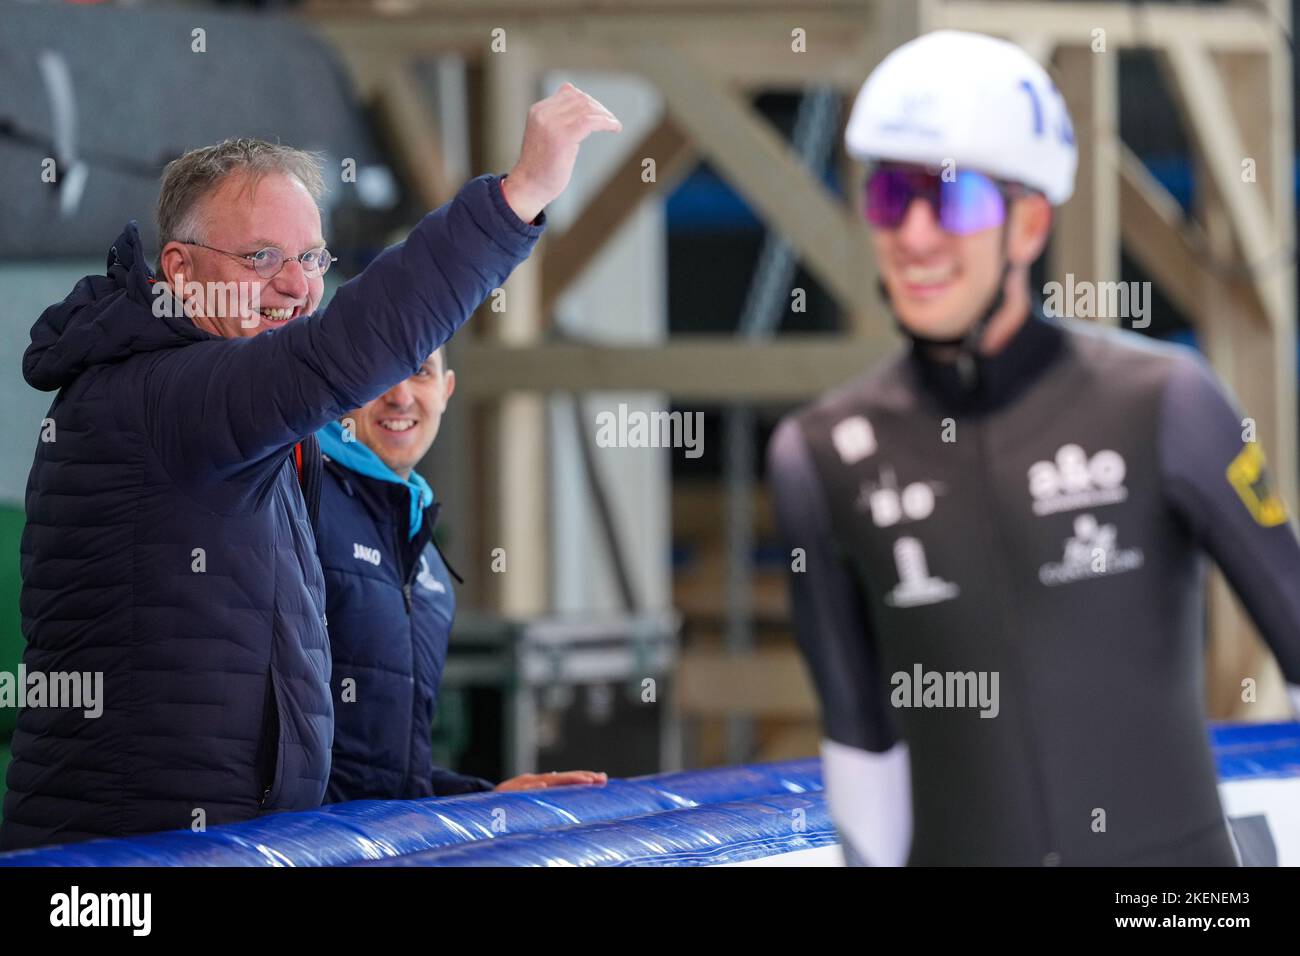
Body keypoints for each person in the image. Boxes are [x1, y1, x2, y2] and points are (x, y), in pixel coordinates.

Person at [2, 83, 621, 850]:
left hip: (246, 847)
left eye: (311, 257)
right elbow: (339, 351)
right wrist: (516, 195)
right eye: (262, 257)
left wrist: (469, 802)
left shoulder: (249, 435)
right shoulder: (161, 396)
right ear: (180, 271)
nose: (296, 285)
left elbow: (320, 744)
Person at [768, 30, 1300, 866]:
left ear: (1028, 223)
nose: (912, 235)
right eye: (887, 197)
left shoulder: (1166, 401)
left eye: (950, 199)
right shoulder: (819, 455)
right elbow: (861, 744)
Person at [316, 346, 606, 799]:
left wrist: (483, 799)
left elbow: (391, 776)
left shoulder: (427, 561)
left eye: (420, 372)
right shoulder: (296, 504)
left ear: (446, 390)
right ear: (340, 382)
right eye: (379, 368)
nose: (400, 395)